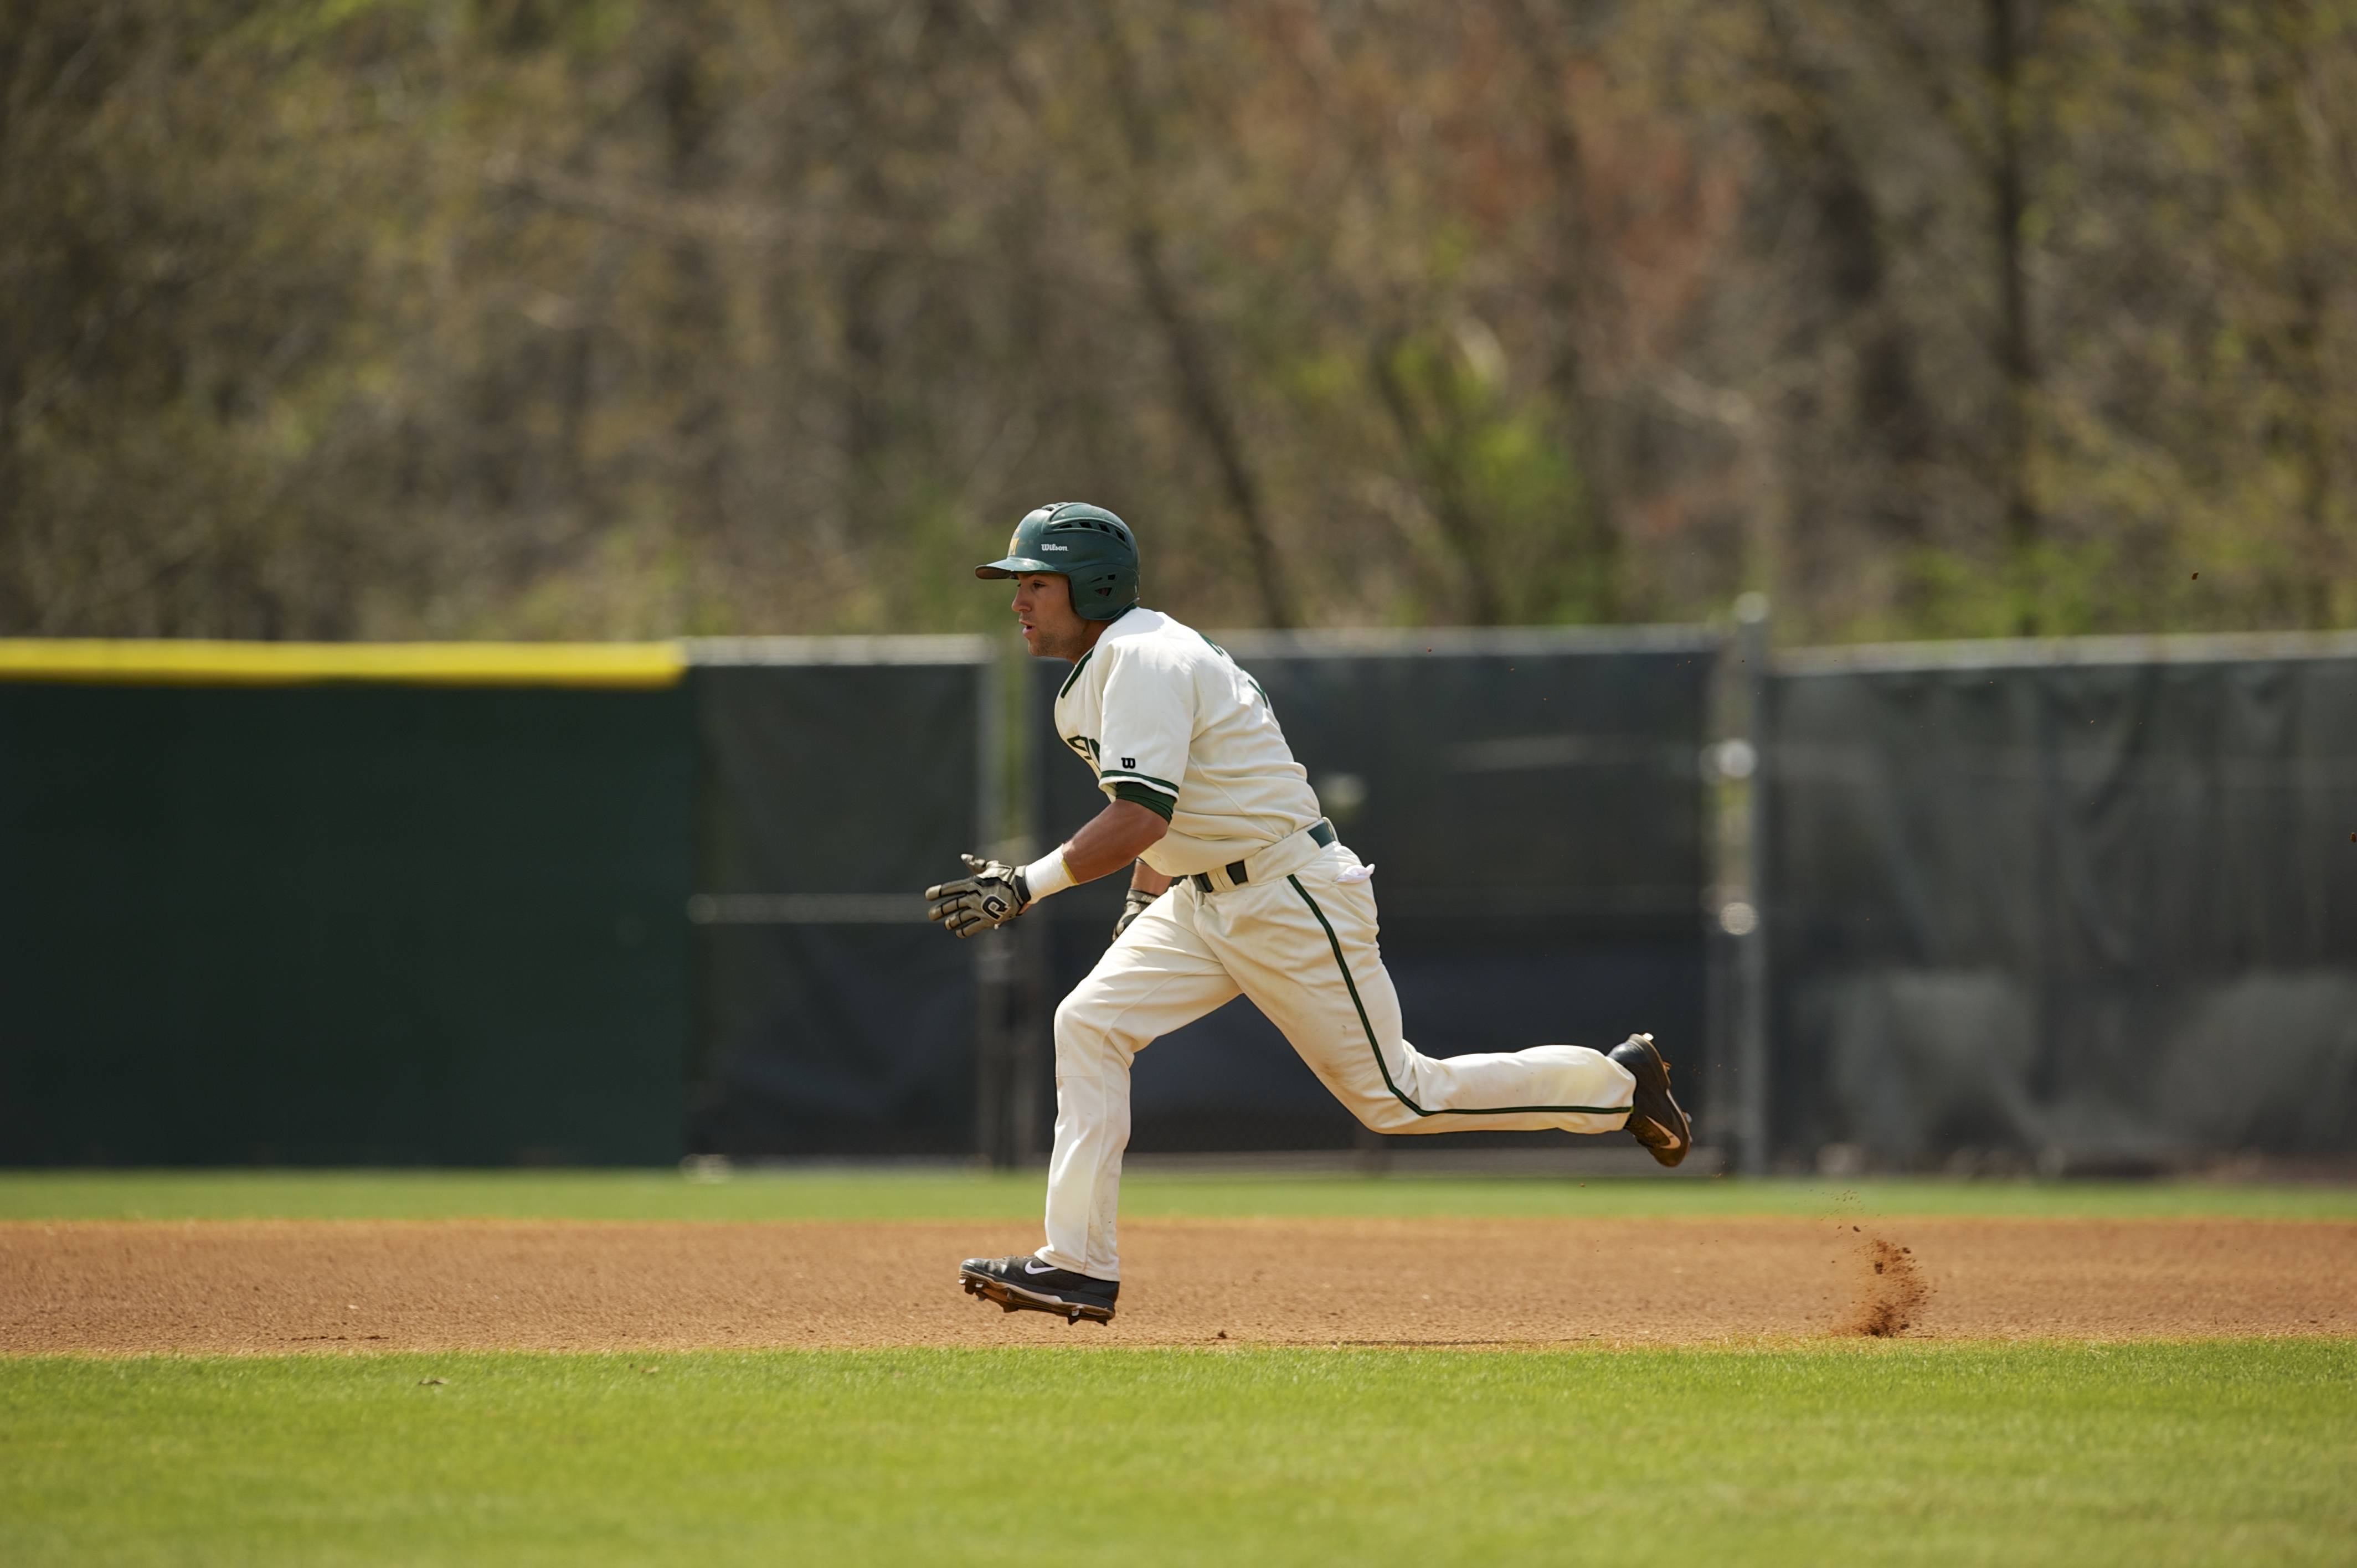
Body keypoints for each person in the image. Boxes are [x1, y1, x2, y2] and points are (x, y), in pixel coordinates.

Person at [924, 502, 1690, 1324]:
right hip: (1204, 897)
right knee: (1089, 1024)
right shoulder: (1112, 667)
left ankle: (1618, 1087)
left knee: (1399, 1098)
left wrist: (1025, 885)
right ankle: (1076, 1265)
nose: (1019, 601)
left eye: (1037, 583)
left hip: (1286, 893)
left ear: (1093, 586)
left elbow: (1142, 815)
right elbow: (1176, 808)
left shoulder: (1145, 658)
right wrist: (1143, 901)